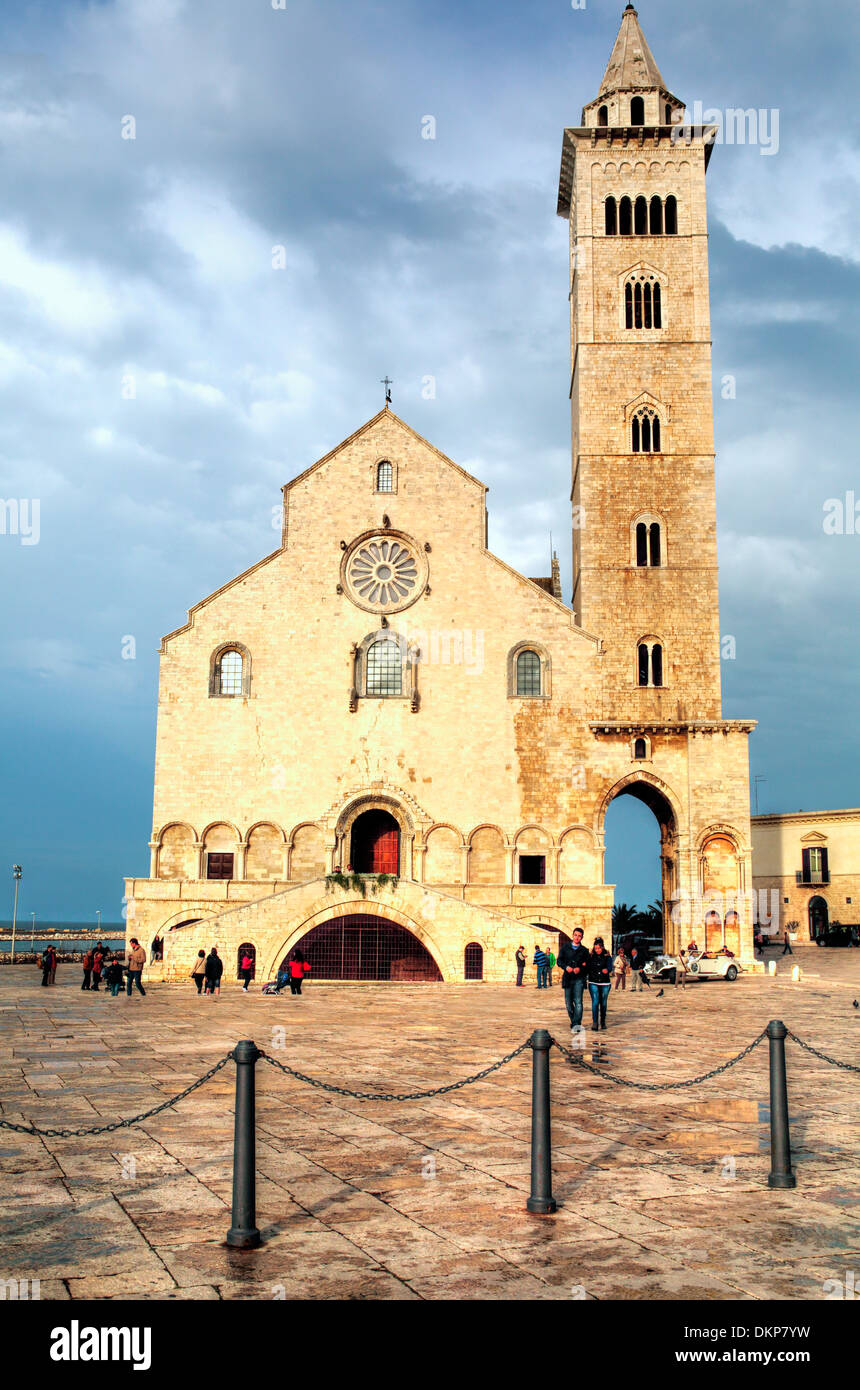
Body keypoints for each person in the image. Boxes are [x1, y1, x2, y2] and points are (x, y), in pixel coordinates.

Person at [558, 927, 589, 1033]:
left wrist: (580, 968)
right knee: (568, 1003)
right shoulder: (565, 947)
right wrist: (566, 967)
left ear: (582, 937)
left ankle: (576, 1024)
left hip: (579, 978)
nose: (577, 937)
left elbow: (587, 965)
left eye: (579, 936)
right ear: (572, 935)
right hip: (568, 977)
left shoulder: (584, 950)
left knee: (578, 1002)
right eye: (575, 935)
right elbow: (559, 961)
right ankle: (574, 1021)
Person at [587, 936, 612, 1031]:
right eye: (595, 948)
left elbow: (610, 967)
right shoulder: (591, 956)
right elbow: (588, 967)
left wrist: (607, 970)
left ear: (602, 947)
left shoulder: (607, 957)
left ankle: (603, 1020)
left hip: (605, 982)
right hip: (593, 981)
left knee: (603, 1003)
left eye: (599, 948)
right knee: (595, 1001)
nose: (597, 950)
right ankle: (595, 1022)